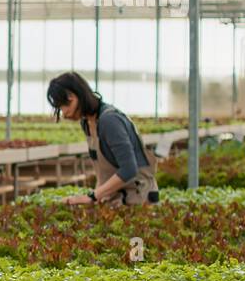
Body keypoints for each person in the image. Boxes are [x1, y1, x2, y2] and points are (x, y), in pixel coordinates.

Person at [47, 71, 160, 205]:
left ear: (73, 97)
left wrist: (92, 197)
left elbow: (129, 169)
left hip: (138, 198)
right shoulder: (87, 123)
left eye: (64, 105)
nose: (64, 113)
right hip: (118, 198)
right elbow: (103, 170)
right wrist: (98, 196)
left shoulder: (109, 121)